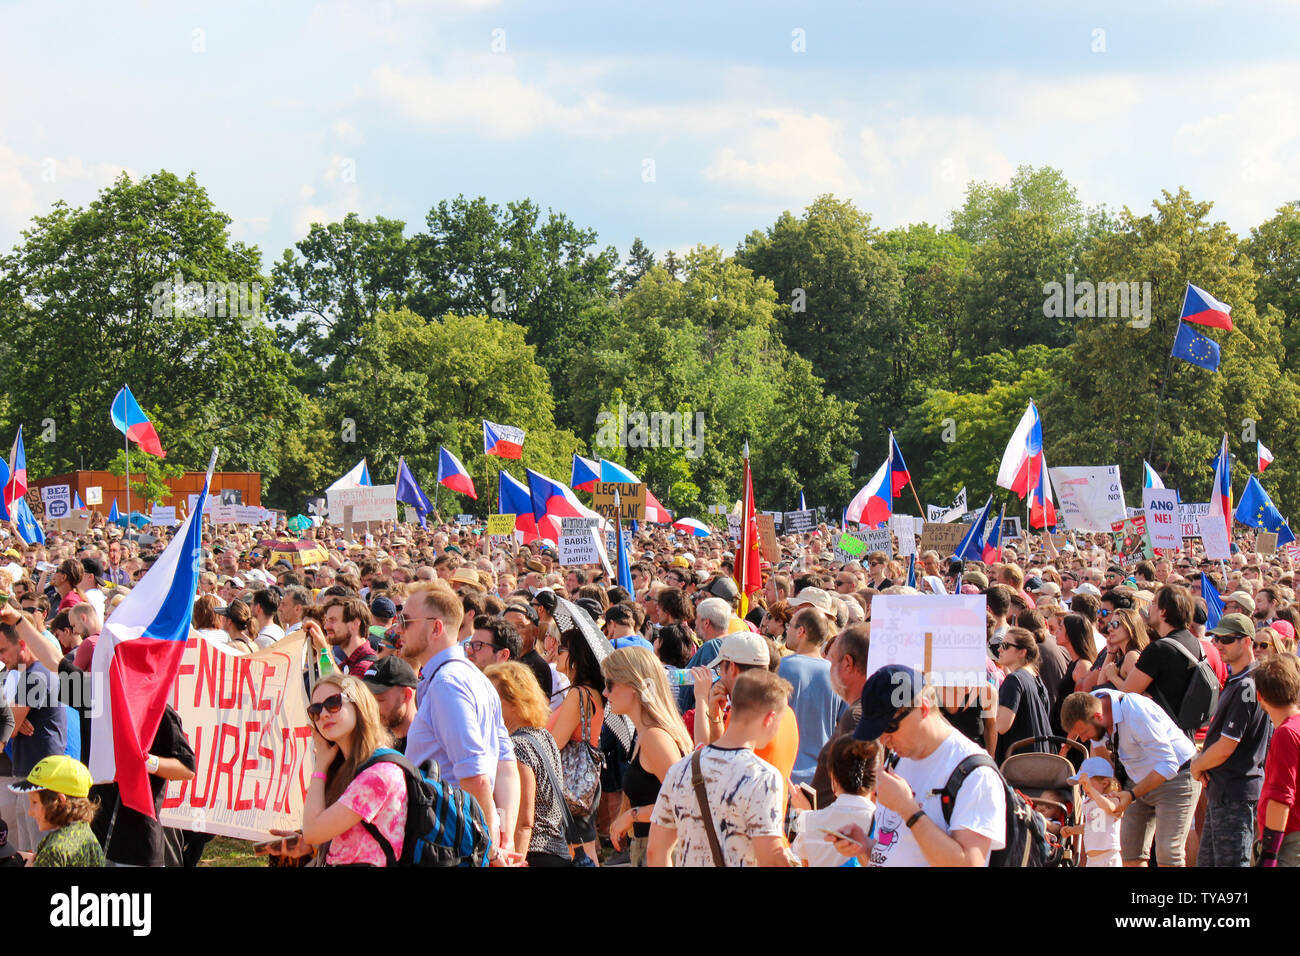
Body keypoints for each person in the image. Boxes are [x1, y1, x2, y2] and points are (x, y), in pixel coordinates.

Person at [830, 664, 1006, 867]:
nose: (884, 739)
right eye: (877, 730)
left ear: (922, 709)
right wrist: (865, 846)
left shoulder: (976, 774)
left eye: (889, 727)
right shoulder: (897, 760)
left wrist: (908, 809)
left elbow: (969, 863)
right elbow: (895, 852)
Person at [401, 582, 519, 864]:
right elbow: (504, 764)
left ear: (435, 628)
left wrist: (491, 848)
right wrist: (505, 838)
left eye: (406, 620)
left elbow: (476, 774)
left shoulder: (447, 683)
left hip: (451, 844)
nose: (398, 628)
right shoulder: (470, 677)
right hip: (462, 839)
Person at [648, 670, 798, 867]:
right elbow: (770, 859)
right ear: (770, 718)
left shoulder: (681, 769)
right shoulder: (763, 776)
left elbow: (655, 852)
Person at [1061, 689, 1199, 867]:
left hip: (1177, 775)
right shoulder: (1091, 706)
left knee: (1167, 853)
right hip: (1137, 779)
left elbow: (1168, 764)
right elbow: (1102, 751)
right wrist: (1116, 789)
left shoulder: (1135, 711)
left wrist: (1131, 795)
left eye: (1085, 732)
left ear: (1097, 715)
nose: (1085, 738)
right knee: (1130, 852)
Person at [299, 672, 407, 866]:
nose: (323, 714)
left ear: (359, 705)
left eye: (333, 703)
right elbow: (340, 837)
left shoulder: (378, 775)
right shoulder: (350, 768)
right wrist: (302, 845)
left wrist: (320, 766)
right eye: (315, 709)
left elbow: (313, 832)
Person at [1191, 612, 1272, 867]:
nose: (1219, 644)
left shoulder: (1248, 683)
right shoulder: (1240, 679)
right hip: (1224, 787)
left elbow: (1227, 745)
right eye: (1217, 638)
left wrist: (1198, 765)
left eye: (1227, 639)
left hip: (1236, 790)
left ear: (1246, 641)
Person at [602, 646, 693, 866]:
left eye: (610, 684)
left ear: (634, 684)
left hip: (661, 851)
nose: (605, 692)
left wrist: (632, 815)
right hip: (653, 848)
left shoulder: (654, 736)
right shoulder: (646, 733)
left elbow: (682, 803)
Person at [690, 632, 800, 811]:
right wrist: (715, 714)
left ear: (732, 667)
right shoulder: (787, 713)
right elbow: (719, 750)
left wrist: (701, 698)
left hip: (744, 828)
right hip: (770, 825)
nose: (720, 677)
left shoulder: (746, 716)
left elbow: (705, 758)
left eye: (721, 669)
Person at [485, 661, 572, 867]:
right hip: (556, 851)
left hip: (534, 854)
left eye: (493, 699)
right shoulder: (543, 736)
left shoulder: (516, 746)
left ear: (515, 701)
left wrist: (516, 859)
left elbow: (524, 822)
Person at [0, 621, 67, 853]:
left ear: (21, 644)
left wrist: (13, 719)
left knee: (41, 852)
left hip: (41, 777)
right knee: (27, 853)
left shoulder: (36, 674)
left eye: (2, 651)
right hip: (27, 774)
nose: (1, 658)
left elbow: (10, 728)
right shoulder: (24, 674)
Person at [547, 617, 607, 863]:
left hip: (571, 781)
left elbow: (554, 742)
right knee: (584, 848)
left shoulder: (578, 694)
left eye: (562, 649)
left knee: (578, 851)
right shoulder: (588, 690)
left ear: (576, 656)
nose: (556, 653)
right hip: (581, 780)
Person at [778, 606, 846, 787]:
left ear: (801, 631)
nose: (787, 630)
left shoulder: (781, 667)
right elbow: (845, 724)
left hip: (785, 773)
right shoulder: (835, 674)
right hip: (821, 776)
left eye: (790, 626)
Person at [790, 736, 879, 867]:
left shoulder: (808, 821)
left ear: (833, 778)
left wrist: (805, 814)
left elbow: (804, 863)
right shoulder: (885, 823)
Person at [8, 755, 104, 867]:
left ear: (60, 801)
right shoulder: (86, 834)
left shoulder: (54, 851)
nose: (30, 812)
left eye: (35, 802)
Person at [1252, 654, 1300, 866]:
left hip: (1288, 839)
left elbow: (1281, 797)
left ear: (1260, 696)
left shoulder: (1286, 734)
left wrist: (1269, 855)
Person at [993, 627, 1052, 764]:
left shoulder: (1014, 680)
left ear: (1022, 652)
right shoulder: (1036, 678)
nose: (999, 649)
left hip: (1021, 764)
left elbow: (1001, 726)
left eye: (1006, 646)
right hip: (1041, 759)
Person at [1058, 756, 1123, 867]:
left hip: (1109, 857)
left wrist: (1092, 790)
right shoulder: (1088, 803)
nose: (1084, 788)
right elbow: (1091, 826)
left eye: (1087, 783)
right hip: (1092, 859)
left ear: (1105, 783)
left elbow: (1110, 808)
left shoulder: (1112, 798)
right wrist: (1073, 830)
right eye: (1083, 785)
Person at [361, 656, 419, 752]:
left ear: (406, 695)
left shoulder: (427, 744)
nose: (371, 709)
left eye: (379, 700)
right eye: (369, 701)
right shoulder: (376, 744)